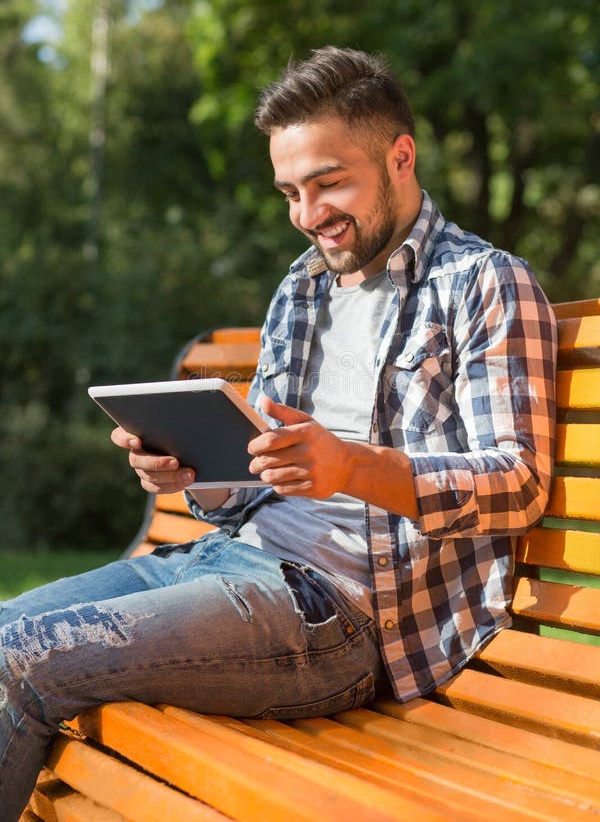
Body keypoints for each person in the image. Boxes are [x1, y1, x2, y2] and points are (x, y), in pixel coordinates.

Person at [0, 46, 557, 819]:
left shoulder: (483, 282)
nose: (307, 213)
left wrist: (355, 469)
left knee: (19, 663)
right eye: (290, 191)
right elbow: (254, 481)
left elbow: (519, 481)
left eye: (329, 182)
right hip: (224, 563)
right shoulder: (302, 287)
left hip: (342, 615)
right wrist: (188, 471)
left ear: (401, 157)